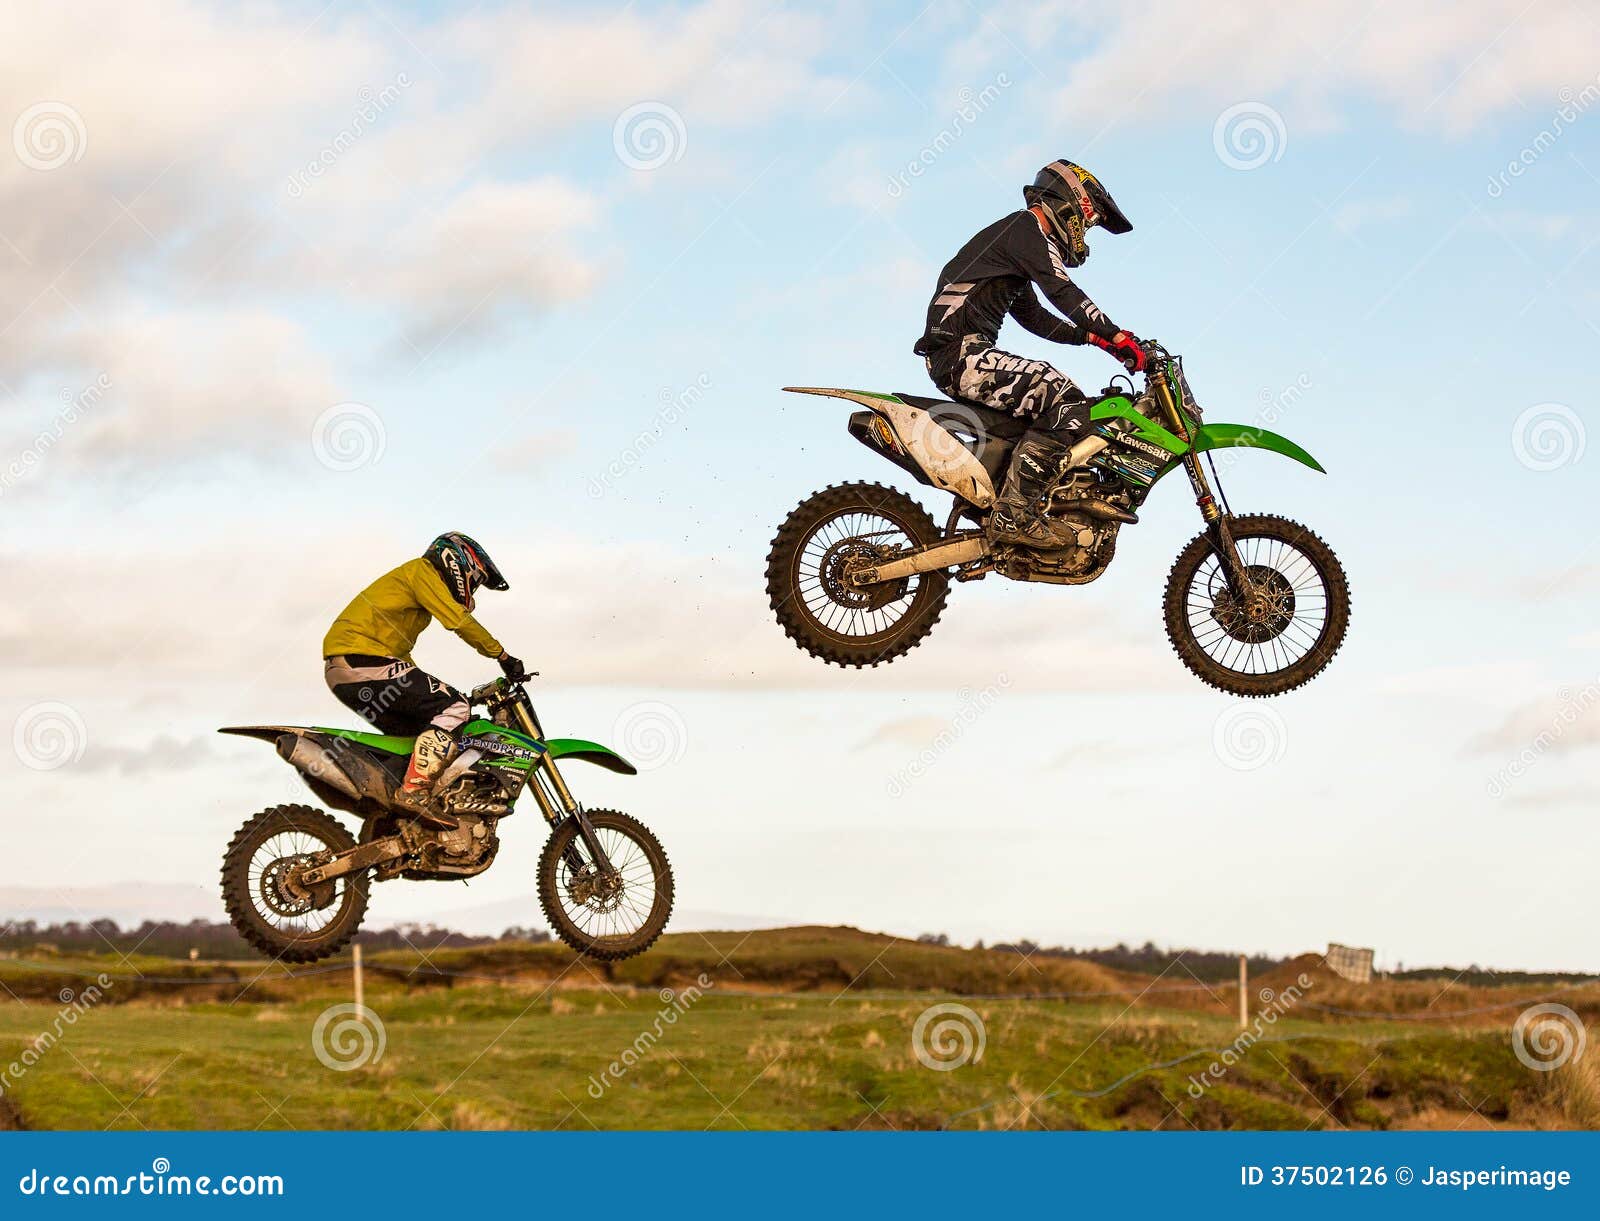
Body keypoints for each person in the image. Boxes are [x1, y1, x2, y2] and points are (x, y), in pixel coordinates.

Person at [914, 158, 1147, 547]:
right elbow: (1061, 290)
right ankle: (1014, 516)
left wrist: (1093, 340)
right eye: (1089, 221)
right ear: (1072, 203)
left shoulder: (1010, 246)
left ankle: (1016, 499)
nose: (1085, 232)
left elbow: (1033, 316)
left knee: (1050, 404)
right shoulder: (1024, 228)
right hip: (961, 356)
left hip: (960, 356)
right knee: (1065, 398)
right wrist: (1116, 335)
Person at [322, 532, 525, 827]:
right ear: (460, 563)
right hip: (363, 658)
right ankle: (414, 792)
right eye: (477, 581)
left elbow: (402, 662)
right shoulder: (422, 572)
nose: (474, 590)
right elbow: (458, 620)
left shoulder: (410, 582)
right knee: (454, 706)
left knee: (418, 736)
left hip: (349, 668)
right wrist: (502, 656)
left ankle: (394, 818)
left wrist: (435, 699)